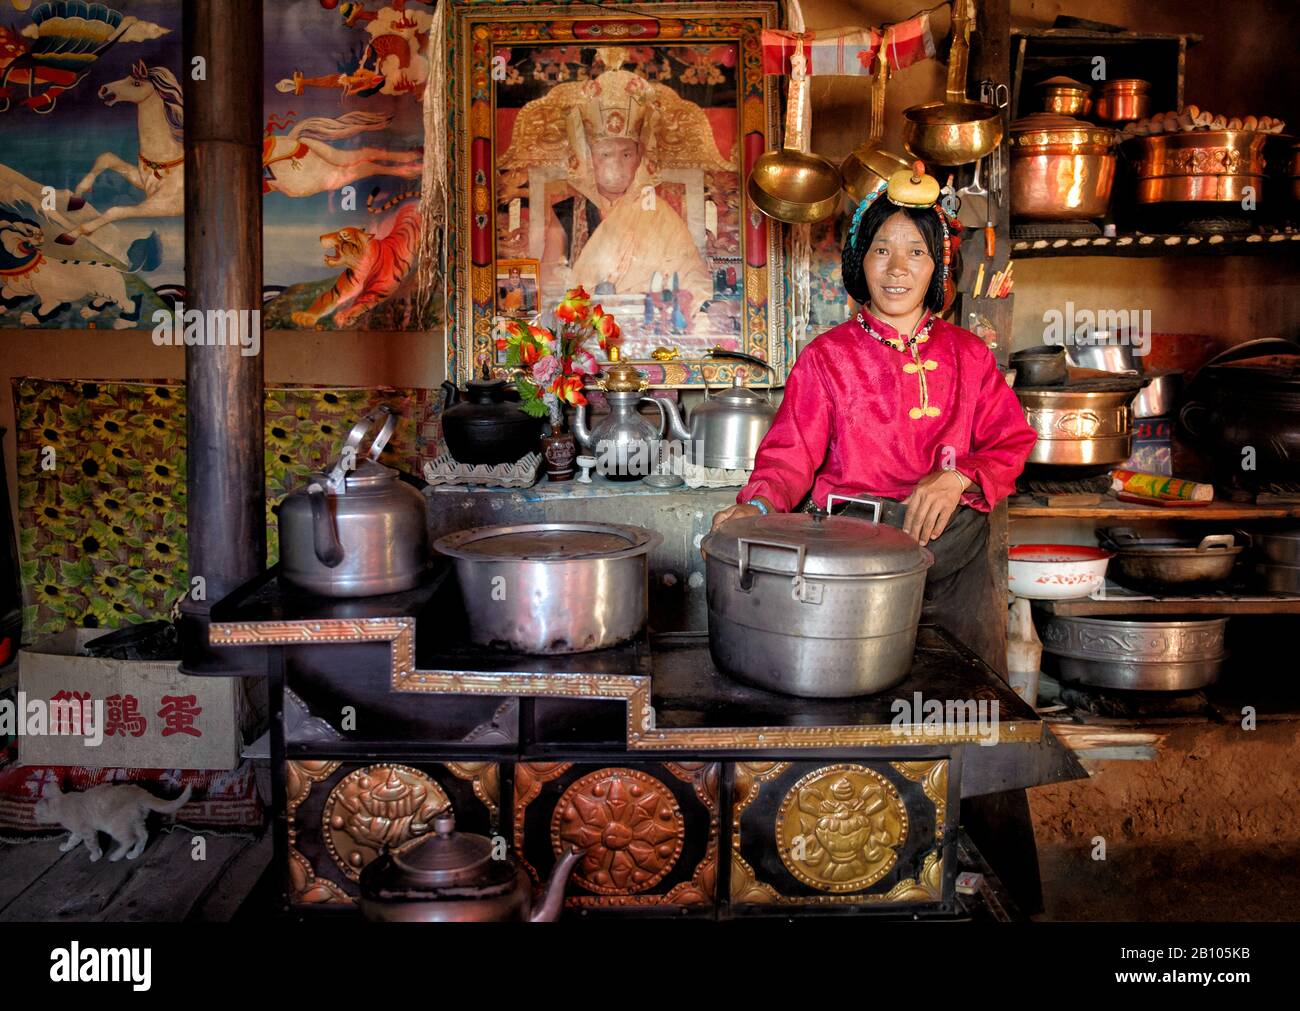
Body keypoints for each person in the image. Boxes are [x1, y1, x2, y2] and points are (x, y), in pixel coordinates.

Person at [710, 164, 1036, 668]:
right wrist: (755, 509)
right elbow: (788, 458)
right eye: (882, 250)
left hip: (952, 552)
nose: (897, 269)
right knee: (853, 689)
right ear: (862, 260)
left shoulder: (968, 355)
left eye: (916, 253)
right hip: (848, 559)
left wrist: (957, 477)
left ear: (937, 269)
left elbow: (1010, 442)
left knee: (954, 695)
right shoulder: (827, 357)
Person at [541, 59, 714, 322]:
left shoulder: (657, 212)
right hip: (585, 332)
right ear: (589, 158)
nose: (616, 166)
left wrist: (686, 303)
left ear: (640, 157)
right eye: (605, 153)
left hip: (647, 328)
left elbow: (692, 277)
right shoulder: (566, 213)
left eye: (626, 154)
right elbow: (549, 284)